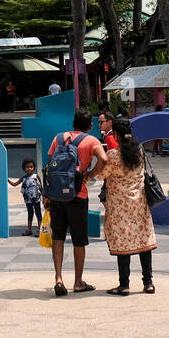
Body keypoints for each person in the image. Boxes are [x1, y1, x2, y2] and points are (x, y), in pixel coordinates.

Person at [44, 109, 110, 295]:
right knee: (78, 240)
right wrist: (90, 175)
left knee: (58, 236)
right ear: (89, 125)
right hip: (77, 196)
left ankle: (58, 278)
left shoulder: (58, 138)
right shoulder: (91, 141)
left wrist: (46, 195)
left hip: (57, 195)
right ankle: (78, 282)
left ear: (73, 123)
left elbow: (50, 166)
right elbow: (104, 159)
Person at [90, 134, 157, 295]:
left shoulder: (113, 154)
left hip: (120, 206)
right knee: (143, 240)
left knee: (122, 243)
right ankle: (148, 283)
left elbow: (102, 175)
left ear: (117, 135)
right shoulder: (139, 150)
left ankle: (124, 284)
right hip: (139, 202)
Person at [9, 158, 43, 236]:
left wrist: (44, 197)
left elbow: (41, 188)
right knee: (30, 213)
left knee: (38, 213)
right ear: (24, 168)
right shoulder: (23, 178)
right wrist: (7, 180)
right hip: (28, 200)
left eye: (31, 167)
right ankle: (29, 229)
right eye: (27, 167)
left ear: (34, 168)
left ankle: (39, 229)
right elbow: (14, 184)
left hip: (36, 199)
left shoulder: (36, 176)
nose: (29, 168)